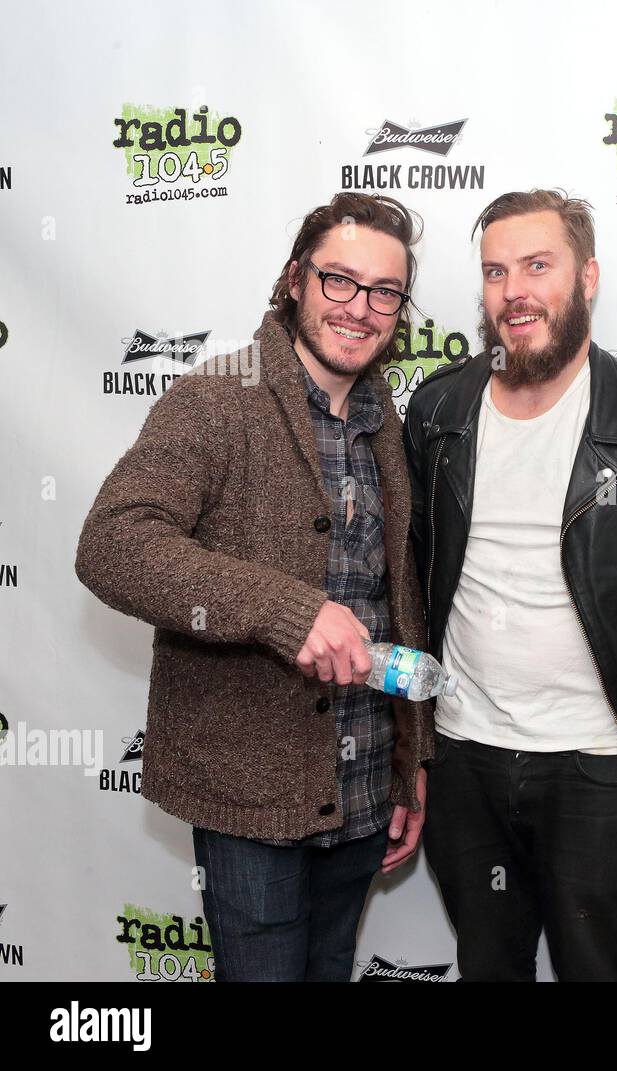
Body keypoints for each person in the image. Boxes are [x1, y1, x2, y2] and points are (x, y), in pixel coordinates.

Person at [76, 193, 433, 981]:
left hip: (367, 784)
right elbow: (112, 543)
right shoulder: (216, 399)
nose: (360, 308)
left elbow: (392, 597)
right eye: (340, 280)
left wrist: (409, 761)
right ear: (295, 280)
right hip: (253, 794)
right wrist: (282, 610)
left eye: (384, 292)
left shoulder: (384, 419)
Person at [403, 189, 617, 982]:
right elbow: (414, 567)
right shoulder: (440, 409)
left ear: (587, 279)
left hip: (592, 762)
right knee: (488, 963)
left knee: (596, 967)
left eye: (537, 266)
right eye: (495, 272)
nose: (514, 290)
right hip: (464, 755)